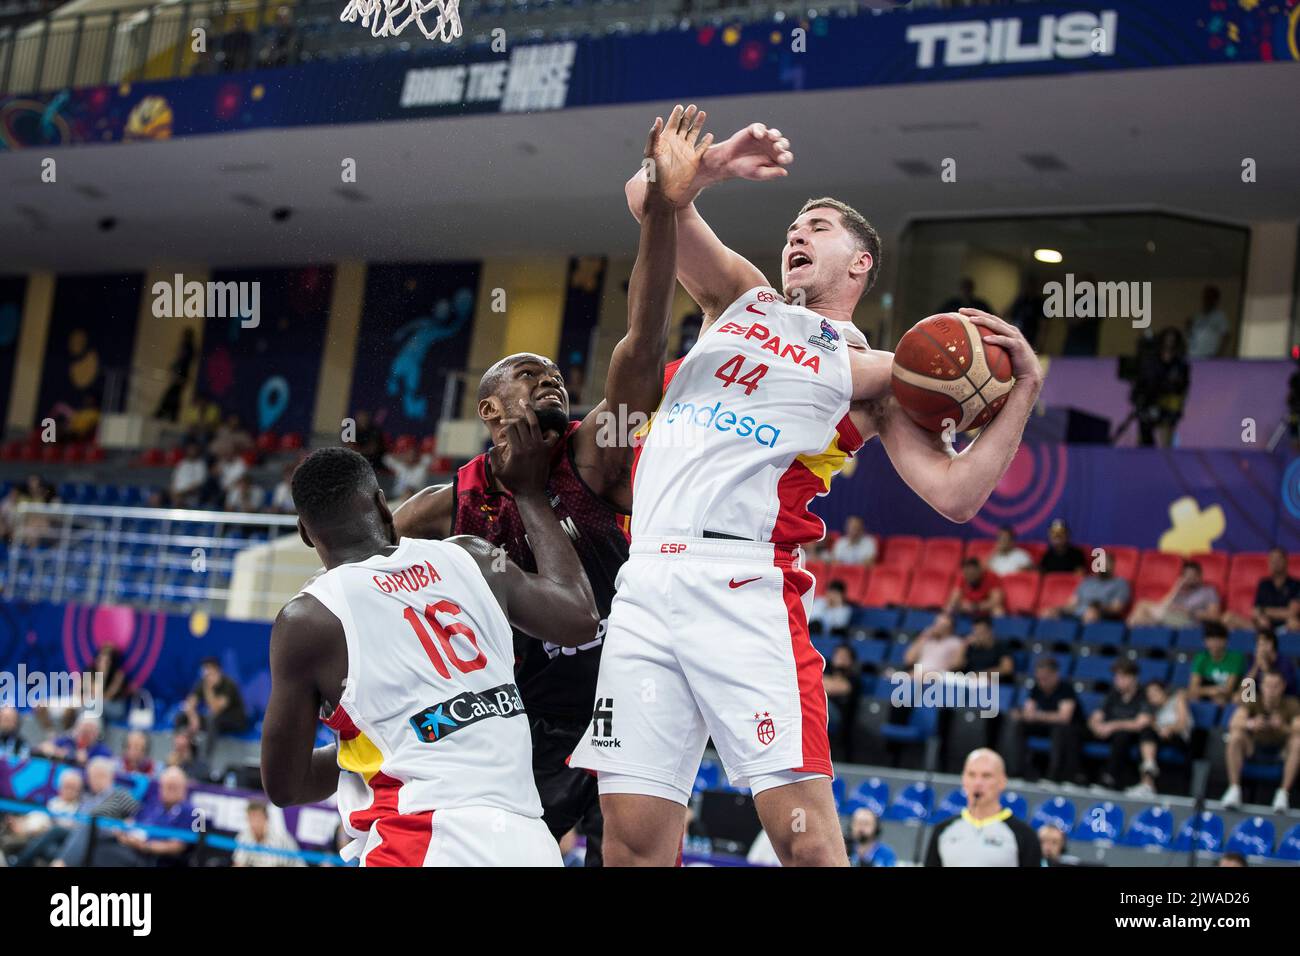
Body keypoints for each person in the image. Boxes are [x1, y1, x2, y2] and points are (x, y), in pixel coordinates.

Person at [573, 106, 1041, 868]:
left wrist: (1022, 391)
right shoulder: (740, 295)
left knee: (809, 846)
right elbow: (644, 197)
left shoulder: (889, 378)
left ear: (860, 264)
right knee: (629, 843)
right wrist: (709, 171)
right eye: (795, 224)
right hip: (644, 578)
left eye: (819, 226)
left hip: (743, 588)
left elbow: (957, 495)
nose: (799, 232)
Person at [393, 119, 683, 869]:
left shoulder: (591, 453)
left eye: (553, 373)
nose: (549, 378)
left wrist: (661, 213)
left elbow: (641, 347)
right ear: (489, 409)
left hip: (630, 694)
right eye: (528, 374)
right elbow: (364, 558)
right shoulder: (444, 504)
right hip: (529, 720)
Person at [261, 441, 600, 866]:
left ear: (306, 534)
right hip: (528, 839)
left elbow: (285, 786)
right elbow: (581, 616)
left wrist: (370, 747)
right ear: (384, 507)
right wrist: (530, 494)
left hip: (420, 840)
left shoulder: (308, 619)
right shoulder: (471, 556)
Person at [924, 749, 1040, 867]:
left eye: (986, 776)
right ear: (963, 780)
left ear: (1002, 781)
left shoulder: (1024, 834)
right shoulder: (943, 830)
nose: (978, 783)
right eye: (971, 775)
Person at [1219, 670, 1300, 812]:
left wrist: (1283, 727)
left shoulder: (1291, 703)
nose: (1271, 690)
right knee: (1235, 736)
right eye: (1268, 685)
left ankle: (1283, 794)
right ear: (1262, 686)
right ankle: (1234, 790)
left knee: (1297, 742)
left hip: (1281, 751)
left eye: (1276, 686)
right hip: (1253, 748)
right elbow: (1234, 722)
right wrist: (1251, 723)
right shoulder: (1252, 698)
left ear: (1283, 686)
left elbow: (1297, 728)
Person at [1004, 656, 1080, 783]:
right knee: (1018, 725)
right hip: (1045, 726)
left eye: (1045, 678)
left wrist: (1037, 715)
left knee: (1059, 730)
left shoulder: (1066, 689)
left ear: (1055, 675)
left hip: (1069, 729)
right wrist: (1021, 714)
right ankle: (1017, 770)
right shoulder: (1037, 687)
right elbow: (1029, 710)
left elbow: (1064, 717)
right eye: (1039, 678)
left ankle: (1054, 775)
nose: (1042, 682)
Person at [1087, 660, 1153, 790]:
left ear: (1134, 678)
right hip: (1107, 731)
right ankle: (1075, 776)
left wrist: (1112, 726)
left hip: (1133, 736)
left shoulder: (1143, 694)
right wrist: (1096, 726)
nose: (1117, 680)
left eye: (1122, 677)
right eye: (1116, 677)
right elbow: (1096, 716)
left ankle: (1109, 779)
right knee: (1074, 730)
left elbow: (1141, 723)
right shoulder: (1113, 694)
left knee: (1121, 736)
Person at [1127, 680, 1190, 797]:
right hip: (1161, 738)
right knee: (1146, 735)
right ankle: (1148, 779)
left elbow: (1183, 723)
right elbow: (1155, 728)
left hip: (1179, 738)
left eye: (1155, 692)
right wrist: (1154, 724)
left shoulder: (1177, 699)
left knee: (1148, 740)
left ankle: (1147, 779)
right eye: (1149, 694)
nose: (1152, 696)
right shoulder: (1154, 709)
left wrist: (1170, 728)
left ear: (1163, 691)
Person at [1131, 328, 1190, 447]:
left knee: (1166, 435)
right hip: (1149, 402)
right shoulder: (1151, 362)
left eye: (1172, 344)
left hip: (1169, 406)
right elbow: (1142, 384)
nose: (1168, 347)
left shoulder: (1180, 366)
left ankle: (1165, 457)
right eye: (1166, 343)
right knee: (1144, 431)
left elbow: (1182, 389)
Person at [178, 658, 249, 751]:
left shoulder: (228, 684)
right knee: (181, 718)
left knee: (211, 719)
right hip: (215, 719)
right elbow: (190, 703)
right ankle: (181, 751)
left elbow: (216, 709)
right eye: (205, 671)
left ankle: (206, 759)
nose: (206, 675)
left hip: (235, 719)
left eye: (209, 671)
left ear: (217, 670)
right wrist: (193, 717)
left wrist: (209, 689)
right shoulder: (202, 682)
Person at [1127, 560, 1221, 628]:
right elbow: (1163, 605)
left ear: (1200, 576)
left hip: (1191, 621)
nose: (1189, 578)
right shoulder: (1180, 590)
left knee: (1136, 618)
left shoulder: (1209, 591)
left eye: (1193, 576)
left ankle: (1134, 631)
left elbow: (1214, 617)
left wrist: (1190, 611)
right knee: (1141, 606)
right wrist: (1176, 588)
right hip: (1172, 616)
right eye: (1186, 575)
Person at [1225, 547, 1300, 633]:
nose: (1275, 563)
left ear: (1286, 561)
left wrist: (1264, 611)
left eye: (1278, 559)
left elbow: (1291, 613)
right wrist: (1261, 617)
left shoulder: (1295, 584)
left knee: (1294, 623)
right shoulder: (1264, 584)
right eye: (1272, 560)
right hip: (1263, 626)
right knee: (1228, 618)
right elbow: (1255, 611)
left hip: (1285, 627)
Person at [1045, 551, 1130, 622]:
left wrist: (1099, 607)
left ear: (1113, 565)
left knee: (1090, 614)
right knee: (1048, 613)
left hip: (1100, 616)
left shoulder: (1120, 583)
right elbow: (1071, 604)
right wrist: (1057, 610)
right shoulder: (1087, 581)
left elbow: (1116, 608)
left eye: (1106, 563)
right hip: (1077, 614)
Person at [1187, 622, 1246, 705]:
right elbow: (1193, 687)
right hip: (1210, 694)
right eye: (1211, 639)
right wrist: (1212, 691)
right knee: (1184, 695)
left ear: (1225, 640)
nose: (1214, 643)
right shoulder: (1200, 658)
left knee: (1223, 699)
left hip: (1229, 696)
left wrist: (1205, 691)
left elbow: (1228, 689)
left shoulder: (1236, 658)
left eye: (1218, 639)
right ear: (1205, 641)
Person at [232, 800, 304, 867]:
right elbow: (239, 864)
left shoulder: (278, 837)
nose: (254, 823)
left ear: (266, 818)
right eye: (251, 818)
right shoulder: (244, 836)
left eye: (258, 818)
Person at [822, 644, 861, 760]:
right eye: (838, 655)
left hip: (839, 716)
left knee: (823, 704)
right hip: (822, 715)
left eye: (845, 656)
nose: (841, 658)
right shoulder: (825, 671)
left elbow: (840, 688)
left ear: (851, 660)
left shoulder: (854, 679)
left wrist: (825, 684)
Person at [898, 613, 965, 680]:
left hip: (941, 675)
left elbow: (958, 663)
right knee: (893, 678)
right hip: (918, 673)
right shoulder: (926, 639)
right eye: (937, 624)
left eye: (942, 625)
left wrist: (941, 669)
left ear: (950, 628)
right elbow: (908, 660)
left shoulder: (956, 642)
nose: (938, 627)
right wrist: (922, 638)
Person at [155, 328, 196, 423]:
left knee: (172, 395)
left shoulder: (188, 347)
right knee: (174, 395)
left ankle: (166, 415)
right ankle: (170, 416)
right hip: (181, 375)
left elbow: (183, 362)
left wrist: (178, 374)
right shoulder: (188, 347)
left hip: (181, 375)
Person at [38, 714, 111, 766]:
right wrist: (55, 750)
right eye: (84, 731)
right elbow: (44, 746)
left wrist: (87, 762)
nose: (85, 735)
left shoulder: (101, 750)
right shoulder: (67, 740)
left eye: (90, 732)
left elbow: (107, 767)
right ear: (76, 729)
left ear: (96, 734)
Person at [1244, 629, 1298, 697]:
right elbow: (1245, 690)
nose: (1259, 648)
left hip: (1283, 698)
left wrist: (1265, 667)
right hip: (1261, 698)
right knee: (1242, 699)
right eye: (1258, 645)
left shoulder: (1285, 662)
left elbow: (1278, 689)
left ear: (1270, 644)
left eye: (1262, 644)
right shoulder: (1254, 660)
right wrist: (1256, 665)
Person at [1186, 285, 1229, 359]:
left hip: (1209, 355)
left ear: (1216, 300)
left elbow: (1226, 336)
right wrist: (1188, 327)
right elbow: (1191, 336)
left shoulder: (1219, 316)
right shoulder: (1197, 316)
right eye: (1205, 297)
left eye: (1210, 297)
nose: (1207, 300)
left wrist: (1219, 354)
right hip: (1193, 354)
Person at [170, 443, 208, 507]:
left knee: (180, 500)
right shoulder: (182, 463)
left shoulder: (201, 465)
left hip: (190, 494)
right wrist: (173, 491)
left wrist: (182, 492)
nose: (191, 452)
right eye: (190, 450)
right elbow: (174, 479)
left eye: (193, 450)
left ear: (197, 451)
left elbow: (199, 483)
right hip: (177, 494)